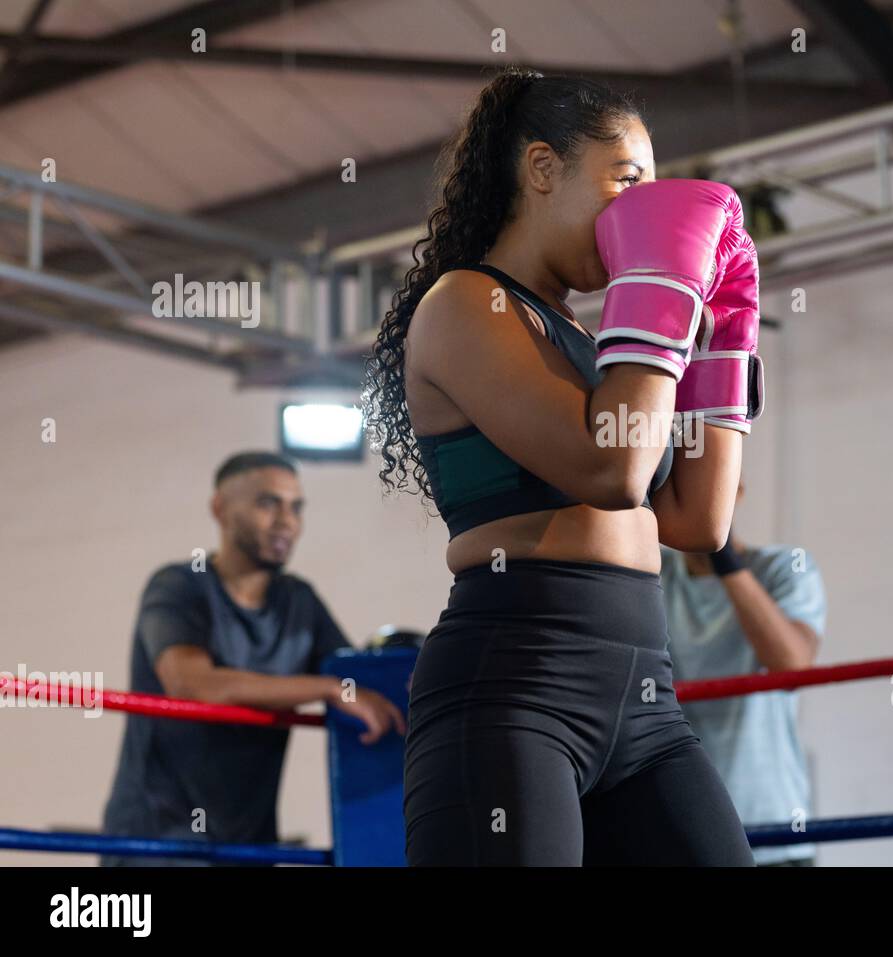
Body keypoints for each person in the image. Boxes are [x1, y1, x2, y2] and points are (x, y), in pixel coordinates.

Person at [364, 67, 764, 865]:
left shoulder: (589, 341)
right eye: (625, 182)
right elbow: (612, 468)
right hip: (513, 688)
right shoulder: (467, 305)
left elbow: (696, 518)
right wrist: (660, 284)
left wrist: (723, 332)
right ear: (542, 170)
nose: (642, 211)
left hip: (647, 703)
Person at [101, 451, 405, 865]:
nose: (287, 521)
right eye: (268, 503)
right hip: (159, 839)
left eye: (296, 507)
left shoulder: (299, 601)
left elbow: (361, 684)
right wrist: (328, 689)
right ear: (220, 508)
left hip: (249, 844)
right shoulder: (177, 587)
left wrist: (416, 669)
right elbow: (190, 683)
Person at [660, 479, 826, 866]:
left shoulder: (783, 567)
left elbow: (792, 664)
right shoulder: (652, 576)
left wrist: (724, 558)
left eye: (704, 487)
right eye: (678, 491)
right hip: (683, 825)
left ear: (735, 492)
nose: (691, 503)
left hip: (774, 826)